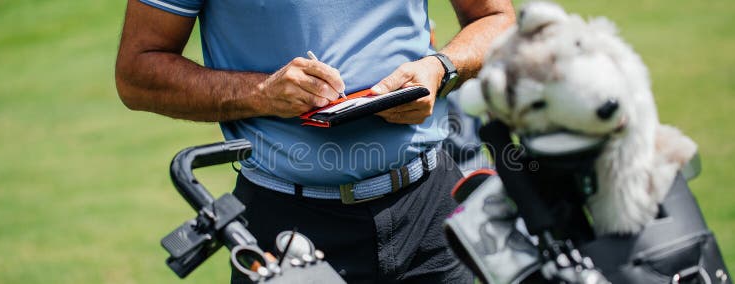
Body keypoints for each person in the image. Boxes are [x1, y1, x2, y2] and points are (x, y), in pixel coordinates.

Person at [115, 0, 515, 282]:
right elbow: (137, 71)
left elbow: (498, 18)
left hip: (432, 210)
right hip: (287, 224)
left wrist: (441, 68)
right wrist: (262, 93)